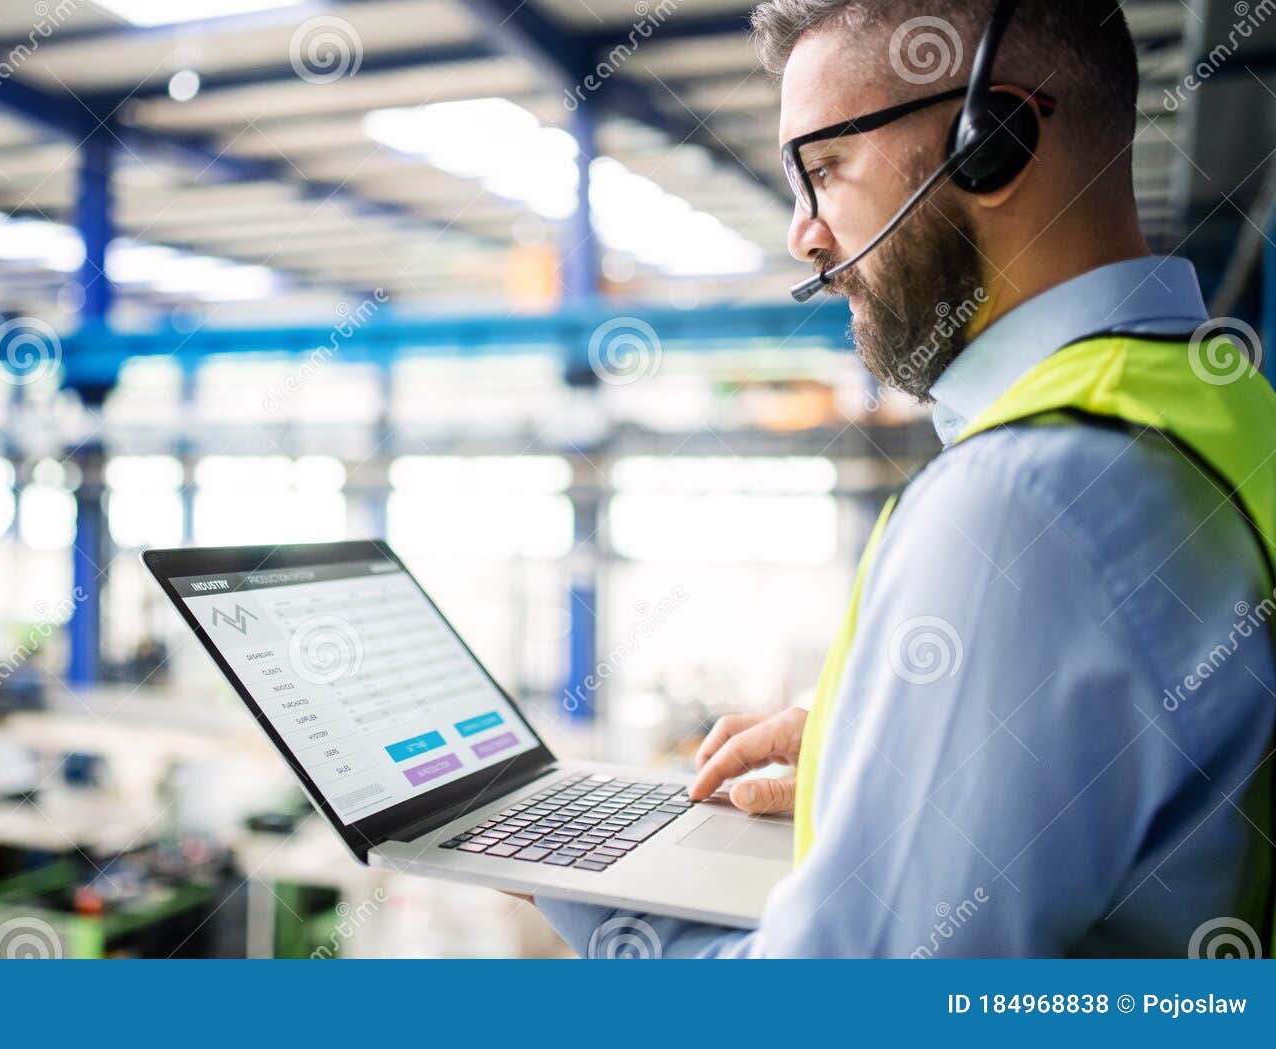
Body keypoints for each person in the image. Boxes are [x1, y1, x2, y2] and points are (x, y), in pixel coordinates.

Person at [532, 0, 1276, 957]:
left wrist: (594, 892)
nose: (803, 233)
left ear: (994, 141)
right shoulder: (1225, 404)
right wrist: (890, 762)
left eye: (824, 168)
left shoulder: (1023, 502)